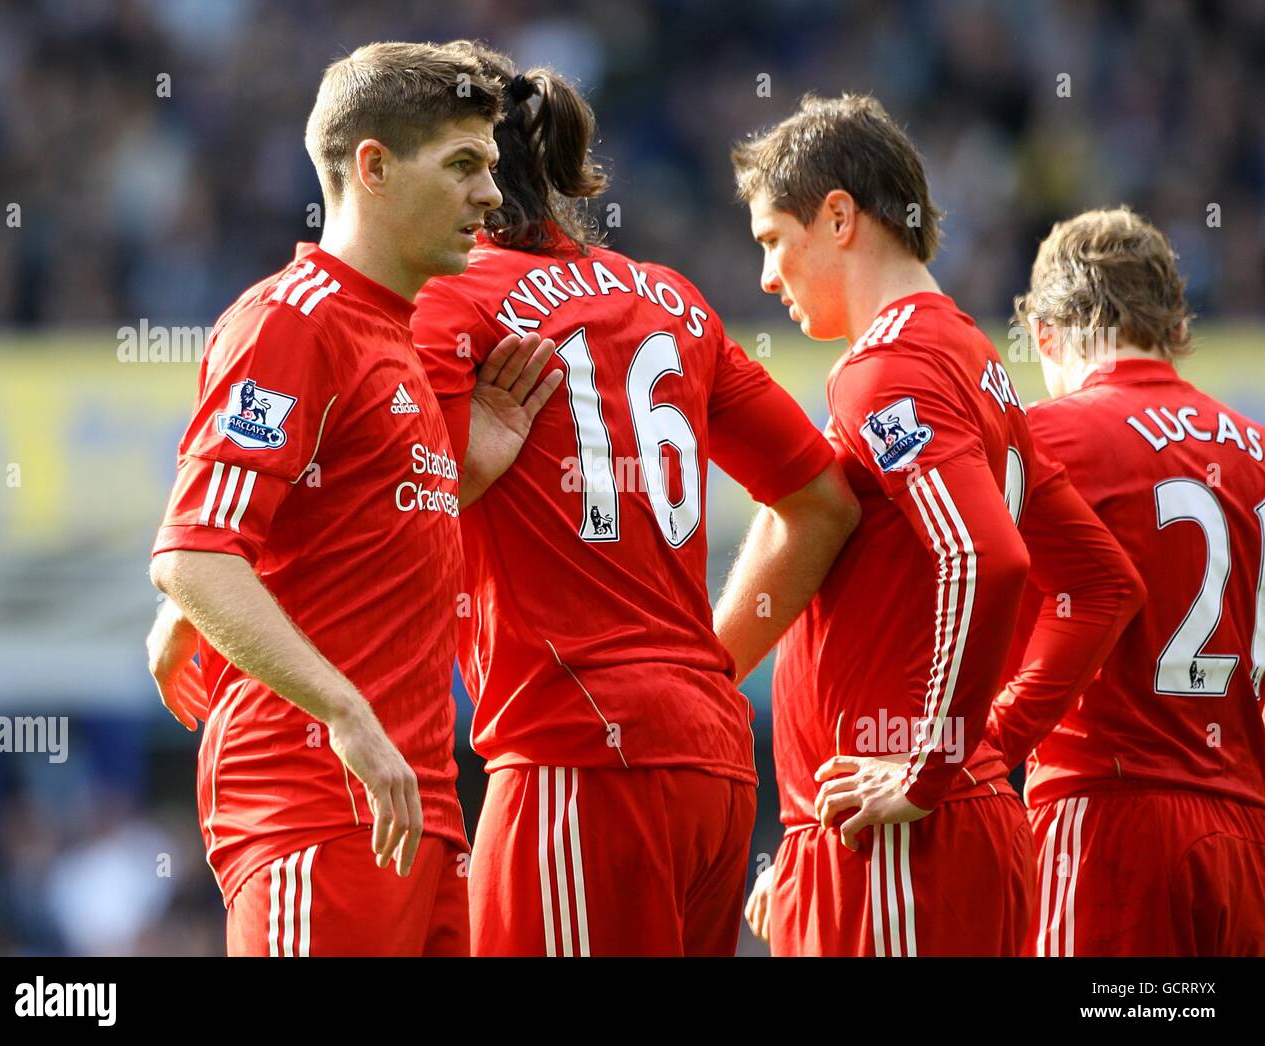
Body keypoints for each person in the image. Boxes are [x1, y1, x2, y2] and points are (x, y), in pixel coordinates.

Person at [410, 45, 861, 956]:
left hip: (577, 760)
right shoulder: (673, 300)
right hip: (712, 763)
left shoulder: (449, 298)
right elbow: (822, 500)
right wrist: (698, 670)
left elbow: (389, 508)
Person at [145, 41, 558, 956]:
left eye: (489, 167)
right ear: (371, 168)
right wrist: (345, 713)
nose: (491, 196)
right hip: (313, 806)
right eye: (463, 166)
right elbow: (194, 553)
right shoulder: (293, 321)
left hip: (419, 811)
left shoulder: (399, 337)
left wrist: (461, 473)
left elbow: (314, 533)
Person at [724, 94, 1145, 955]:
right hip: (922, 827)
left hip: (898, 849)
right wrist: (982, 751)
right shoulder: (971, 358)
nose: (768, 276)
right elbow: (1102, 584)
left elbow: (984, 558)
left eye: (773, 239)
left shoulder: (887, 368)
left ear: (839, 216)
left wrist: (930, 768)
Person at [996, 207, 1265, 955]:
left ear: (1044, 333)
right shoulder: (1257, 452)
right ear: (1176, 329)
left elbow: (994, 641)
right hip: (1244, 834)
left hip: (1105, 817)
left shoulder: (1046, 438)